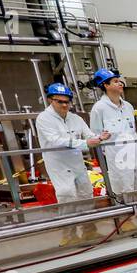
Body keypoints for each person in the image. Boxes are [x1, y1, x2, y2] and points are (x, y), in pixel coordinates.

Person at [35, 82, 110, 242]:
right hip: (58, 165)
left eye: (66, 101)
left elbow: (88, 135)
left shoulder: (75, 118)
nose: (64, 105)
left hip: (77, 163)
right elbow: (55, 140)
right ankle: (69, 235)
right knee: (66, 195)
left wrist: (99, 137)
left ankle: (90, 231)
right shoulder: (44, 119)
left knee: (86, 195)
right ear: (50, 100)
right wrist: (85, 144)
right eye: (59, 101)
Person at [89, 68, 137, 200]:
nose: (120, 83)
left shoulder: (128, 106)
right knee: (124, 187)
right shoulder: (99, 108)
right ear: (105, 85)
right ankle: (128, 217)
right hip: (117, 155)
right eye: (115, 81)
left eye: (120, 81)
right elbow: (95, 135)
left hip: (135, 151)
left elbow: (131, 130)